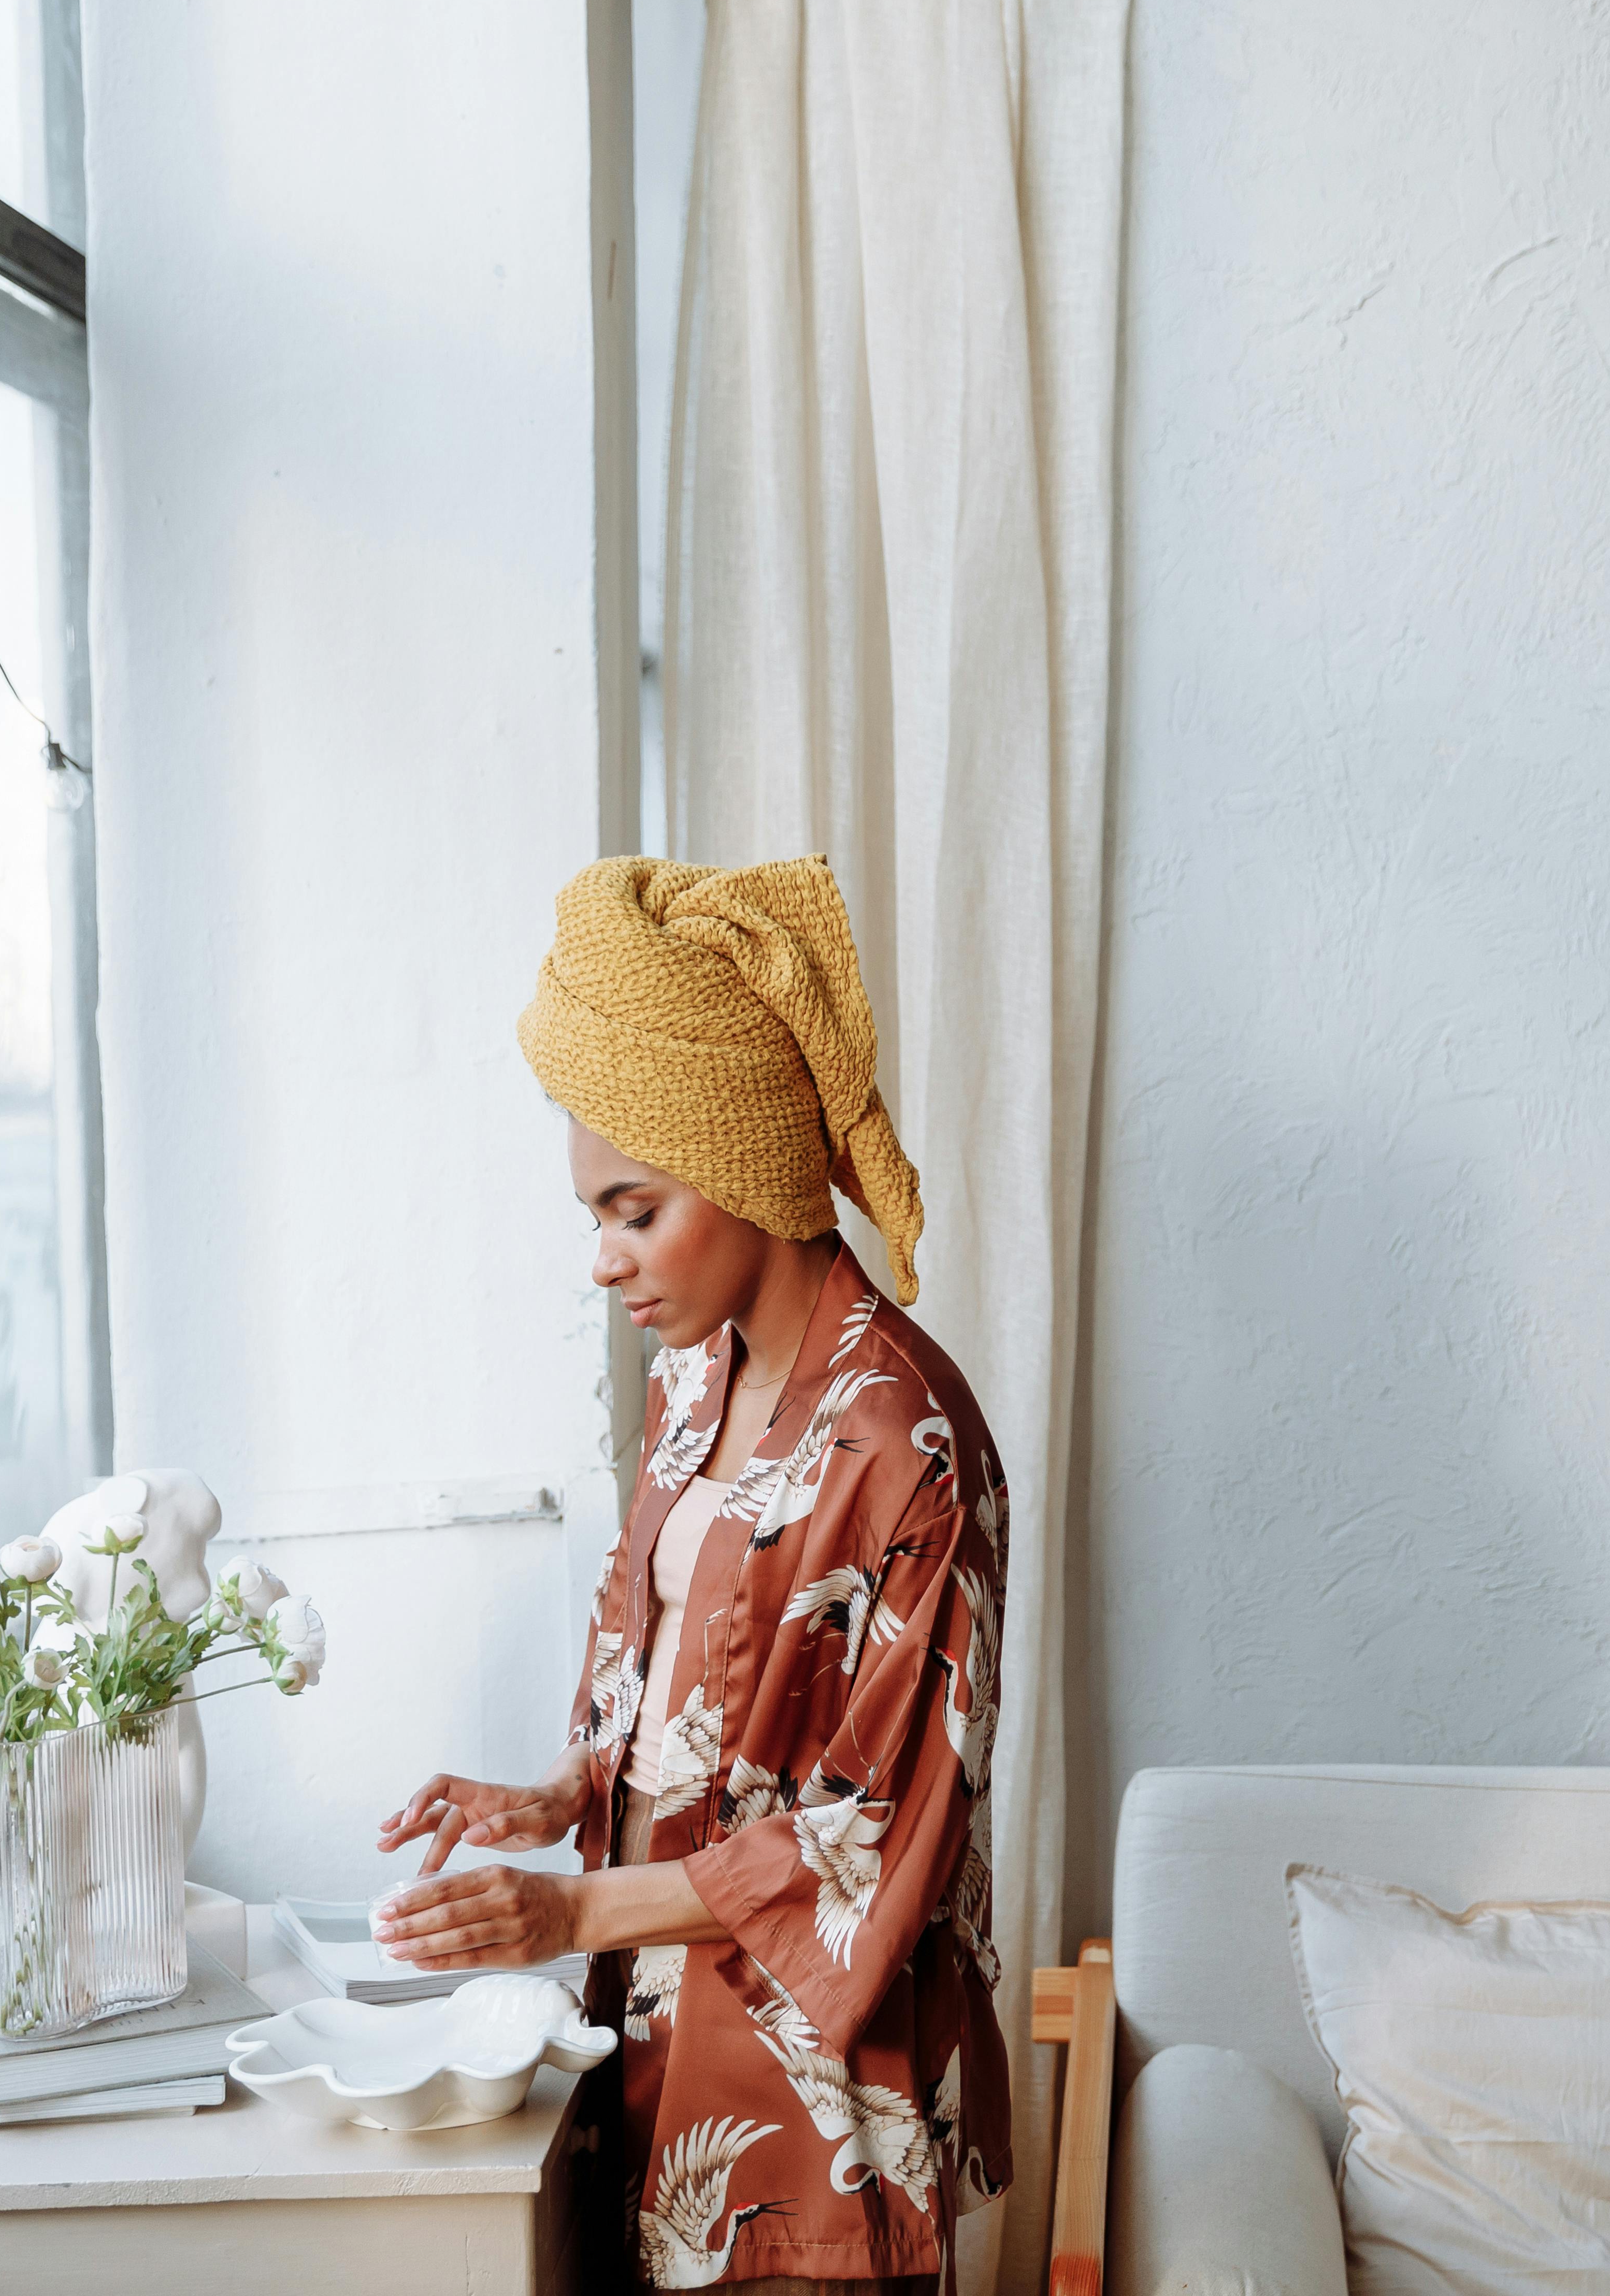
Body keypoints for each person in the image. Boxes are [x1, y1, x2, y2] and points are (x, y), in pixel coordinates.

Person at [373, 856, 1009, 2295]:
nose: (606, 1260)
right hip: (642, 2060)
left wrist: (575, 1911)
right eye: (594, 1217)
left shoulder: (905, 1442)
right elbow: (687, 1704)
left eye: (634, 1209)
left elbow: (878, 1834)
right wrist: (554, 1798)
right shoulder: (689, 1385)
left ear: (739, 1164)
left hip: (809, 2126)